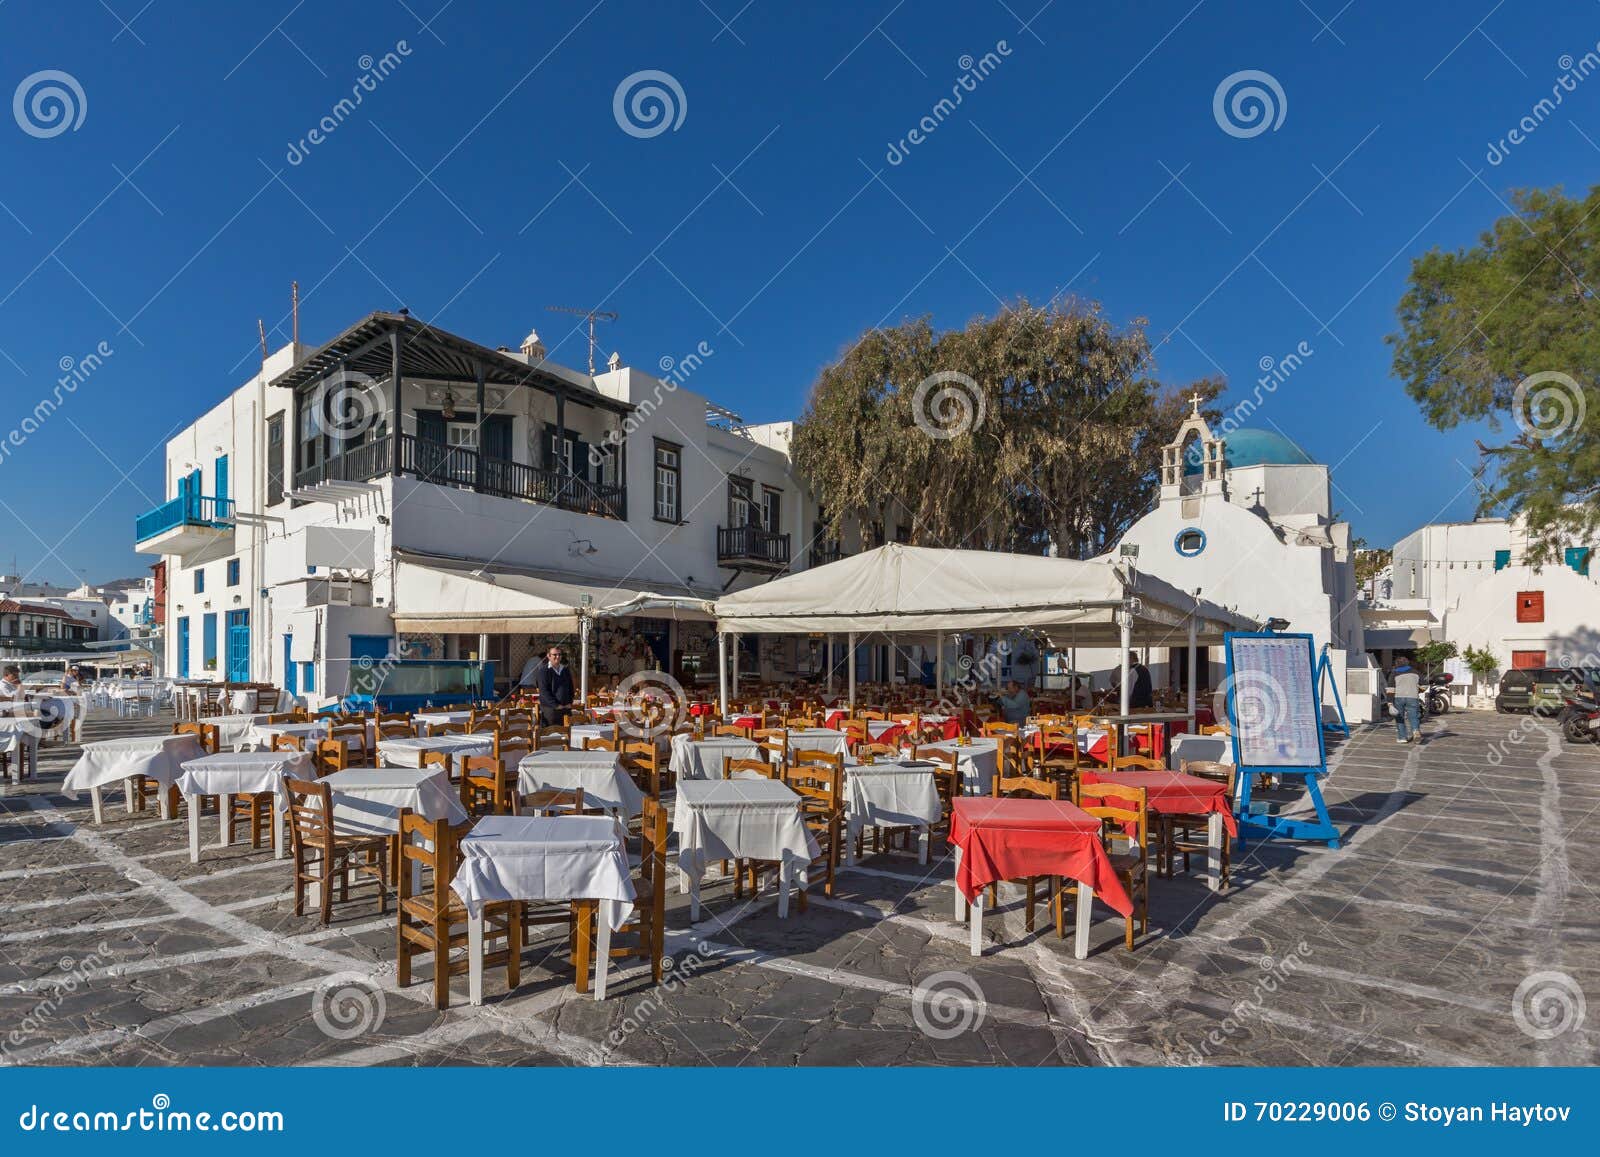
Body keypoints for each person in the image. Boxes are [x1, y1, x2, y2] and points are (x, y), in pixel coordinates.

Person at [535, 645, 574, 727]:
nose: (558, 657)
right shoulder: (543, 671)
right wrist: (556, 705)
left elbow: (571, 688)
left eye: (559, 654)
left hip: (565, 709)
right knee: (551, 737)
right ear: (548, 656)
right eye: (555, 655)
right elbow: (544, 691)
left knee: (567, 736)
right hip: (550, 710)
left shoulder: (565, 670)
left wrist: (570, 702)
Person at [1390, 656, 1422, 744]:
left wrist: (1389, 702)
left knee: (1399, 717)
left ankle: (1402, 737)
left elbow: (1390, 688)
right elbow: (1425, 685)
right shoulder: (1416, 672)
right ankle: (1415, 731)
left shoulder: (1394, 673)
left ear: (1396, 664)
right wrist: (1418, 690)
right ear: (1407, 662)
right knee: (1414, 716)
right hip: (1413, 697)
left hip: (1398, 698)